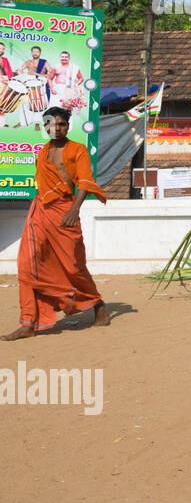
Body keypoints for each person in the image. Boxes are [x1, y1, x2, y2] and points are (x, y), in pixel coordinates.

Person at [3, 106, 110, 340]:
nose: (56, 128)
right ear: (45, 127)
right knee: (27, 264)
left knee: (73, 266)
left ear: (68, 126)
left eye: (61, 124)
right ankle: (28, 323)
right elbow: (43, 185)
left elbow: (84, 182)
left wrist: (74, 209)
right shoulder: (42, 153)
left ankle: (96, 302)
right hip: (40, 211)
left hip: (65, 211)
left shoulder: (77, 149)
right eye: (51, 124)